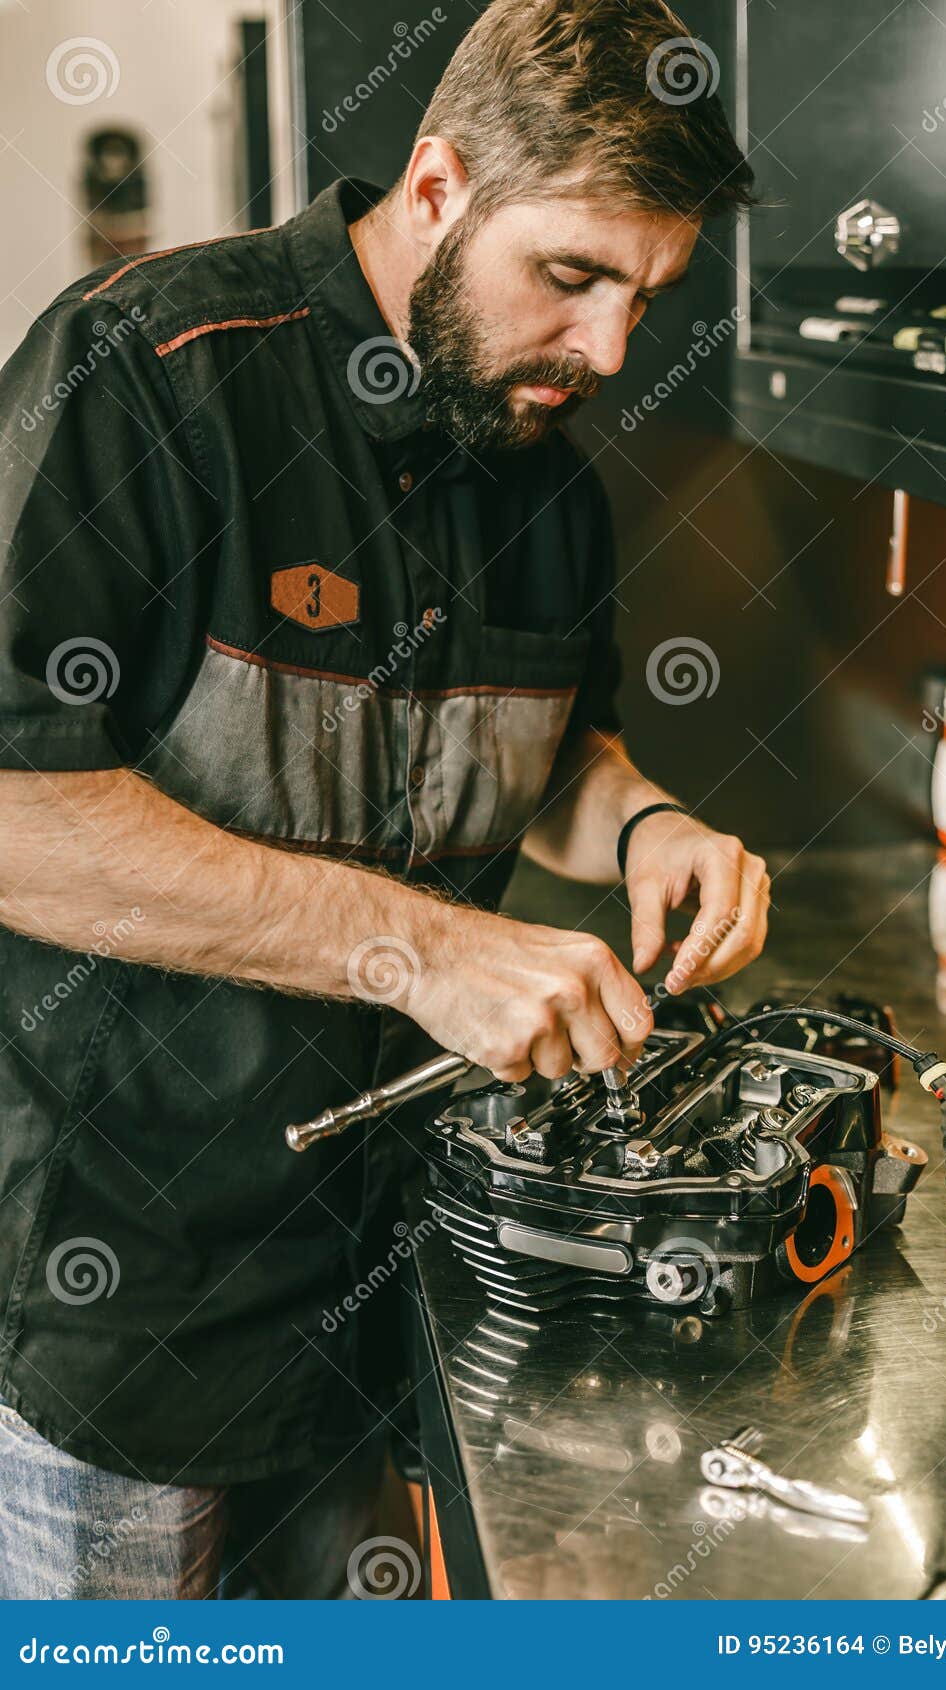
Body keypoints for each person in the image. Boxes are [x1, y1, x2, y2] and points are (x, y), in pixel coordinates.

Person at [0, 0, 767, 1597]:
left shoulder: (543, 472)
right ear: (435, 184)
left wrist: (646, 827)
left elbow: (554, 754)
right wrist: (420, 954)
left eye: (650, 294)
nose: (611, 351)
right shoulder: (151, 379)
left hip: (403, 1294)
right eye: (572, 277)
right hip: (133, 1328)